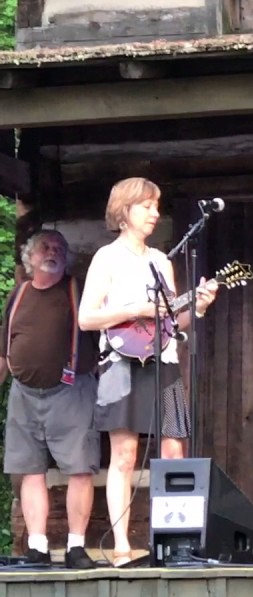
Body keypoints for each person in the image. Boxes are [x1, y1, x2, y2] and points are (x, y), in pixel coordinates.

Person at [77, 178, 219, 566]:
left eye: (157, 206)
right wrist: (135, 310)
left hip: (164, 361)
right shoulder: (106, 258)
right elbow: (87, 317)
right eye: (146, 206)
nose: (155, 213)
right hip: (121, 365)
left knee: (174, 449)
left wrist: (199, 306)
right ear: (124, 212)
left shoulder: (160, 261)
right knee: (124, 454)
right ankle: (122, 544)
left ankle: (175, 540)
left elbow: (171, 323)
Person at [0, 230, 100, 568]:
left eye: (59, 247)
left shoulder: (77, 290)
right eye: (45, 246)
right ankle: (37, 547)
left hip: (71, 392)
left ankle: (76, 547)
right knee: (29, 470)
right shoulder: (18, 294)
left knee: (80, 468)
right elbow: (3, 351)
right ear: (30, 256)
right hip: (23, 394)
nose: (52, 252)